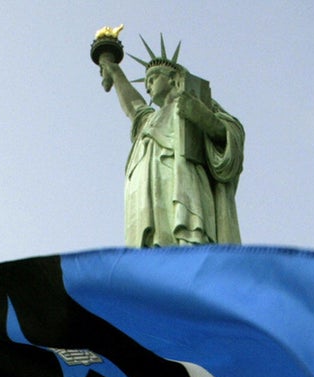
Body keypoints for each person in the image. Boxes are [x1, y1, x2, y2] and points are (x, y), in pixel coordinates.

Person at [98, 40, 244, 247]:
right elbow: (135, 107)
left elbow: (230, 138)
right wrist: (113, 71)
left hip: (184, 185)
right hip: (147, 197)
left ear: (173, 78)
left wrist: (200, 114)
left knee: (188, 242)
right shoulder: (149, 121)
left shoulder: (197, 102)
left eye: (153, 78)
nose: (147, 86)